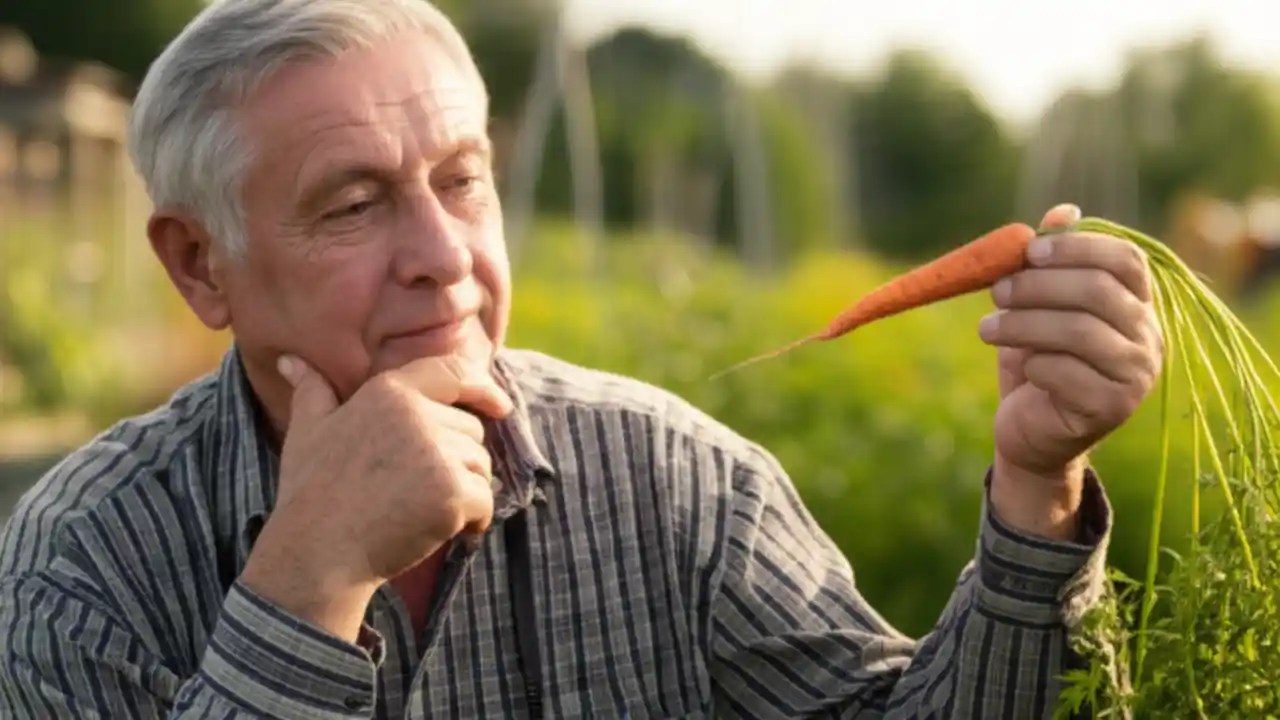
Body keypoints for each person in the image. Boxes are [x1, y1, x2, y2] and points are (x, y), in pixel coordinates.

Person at [0, 0, 1162, 717]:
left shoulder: (673, 479)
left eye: (461, 179)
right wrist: (303, 587)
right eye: (353, 205)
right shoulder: (81, 566)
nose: (445, 257)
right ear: (200, 264)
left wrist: (1034, 492)